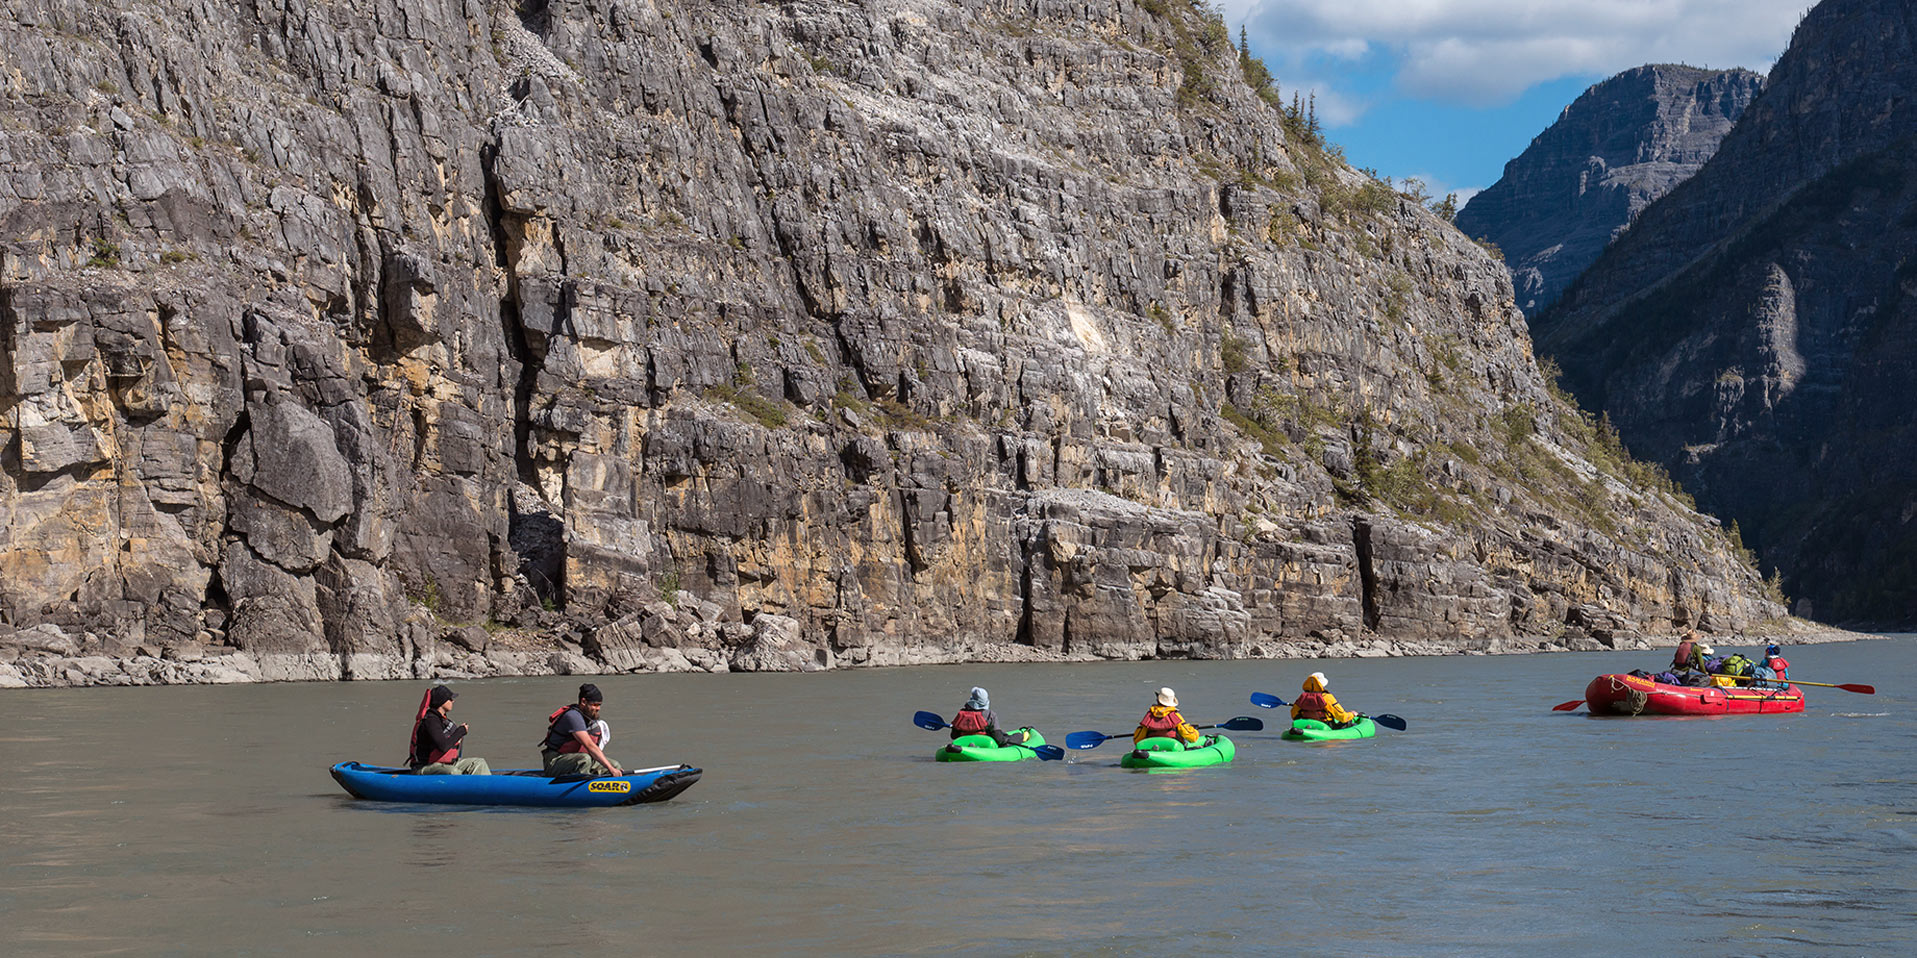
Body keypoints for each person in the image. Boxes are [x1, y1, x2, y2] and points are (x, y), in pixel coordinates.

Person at [540, 683, 625, 777]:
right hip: (554, 761)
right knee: (584, 760)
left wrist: (613, 768)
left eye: (599, 705)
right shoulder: (572, 716)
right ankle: (581, 787)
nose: (598, 708)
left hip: (575, 759)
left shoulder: (588, 718)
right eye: (595, 705)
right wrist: (610, 769)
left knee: (615, 765)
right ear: (583, 702)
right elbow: (589, 745)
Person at [407, 685, 491, 775]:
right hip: (424, 767)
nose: (453, 701)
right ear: (442, 701)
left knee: (479, 763)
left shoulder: (442, 720)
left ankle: (488, 788)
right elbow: (443, 746)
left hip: (445, 765)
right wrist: (460, 731)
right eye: (450, 699)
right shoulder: (430, 721)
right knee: (453, 772)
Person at [947, 687, 1022, 748]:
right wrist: (1008, 740)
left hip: (963, 742)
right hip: (985, 743)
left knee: (1004, 735)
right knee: (1019, 736)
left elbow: (954, 736)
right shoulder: (990, 714)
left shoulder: (961, 713)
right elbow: (999, 739)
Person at [1134, 687, 1202, 747]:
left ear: (1158, 700)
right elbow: (1192, 738)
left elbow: (1137, 739)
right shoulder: (1175, 716)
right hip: (1172, 746)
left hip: (1151, 746)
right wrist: (1194, 731)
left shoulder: (1149, 715)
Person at [1292, 672, 1359, 728]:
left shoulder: (1302, 697)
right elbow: (1343, 717)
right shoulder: (1327, 697)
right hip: (1326, 725)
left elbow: (1294, 715)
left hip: (1307, 725)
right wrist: (1352, 714)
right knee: (1350, 723)